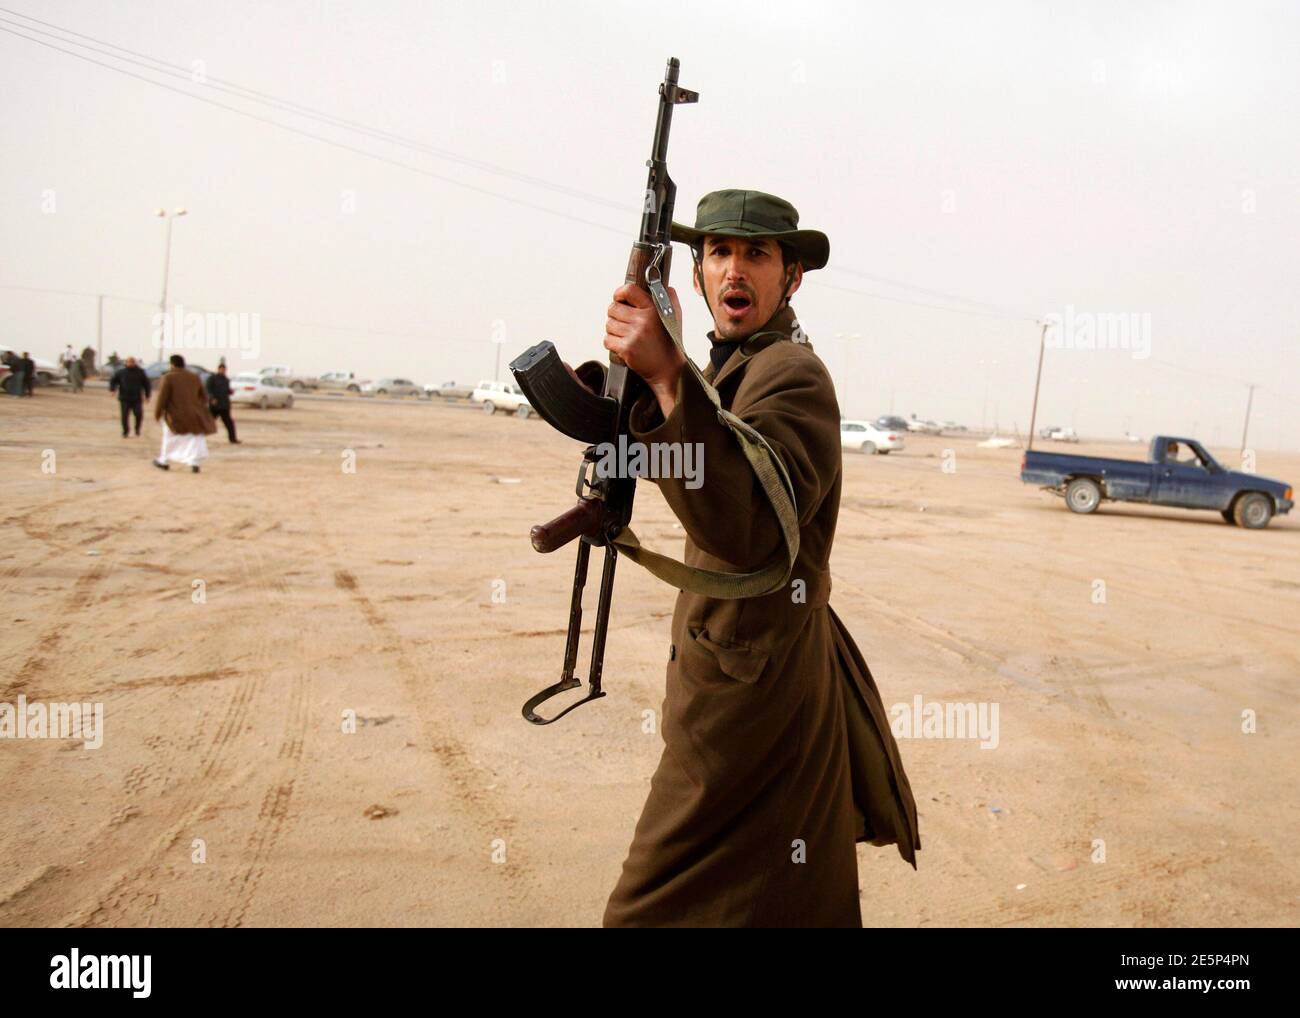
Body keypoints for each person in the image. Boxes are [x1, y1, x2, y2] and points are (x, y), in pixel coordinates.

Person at [598, 190, 920, 927]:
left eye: (756, 254)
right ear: (697, 270)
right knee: (787, 896)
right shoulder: (735, 365)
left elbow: (746, 528)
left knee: (645, 909)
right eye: (718, 252)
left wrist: (668, 375)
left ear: (791, 277)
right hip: (749, 678)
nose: (734, 268)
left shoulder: (792, 374)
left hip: (752, 698)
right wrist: (636, 391)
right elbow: (701, 455)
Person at [153, 354, 216, 472]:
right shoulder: (194, 377)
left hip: (175, 415)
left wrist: (157, 414)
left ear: (172, 364)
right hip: (194, 415)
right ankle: (194, 463)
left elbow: (162, 398)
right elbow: (204, 396)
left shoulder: (168, 377)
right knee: (194, 438)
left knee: (169, 437)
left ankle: (163, 461)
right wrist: (198, 408)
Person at [109, 356, 151, 437]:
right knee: (124, 416)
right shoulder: (121, 372)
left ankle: (137, 429)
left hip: (137, 398)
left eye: (132, 362)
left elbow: (146, 384)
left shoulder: (140, 372)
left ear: (135, 363)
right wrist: (112, 390)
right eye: (129, 362)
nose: (131, 363)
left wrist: (147, 395)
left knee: (138, 414)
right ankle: (125, 431)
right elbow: (113, 381)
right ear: (126, 363)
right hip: (124, 398)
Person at [205, 363, 240, 443]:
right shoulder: (212, 378)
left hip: (224, 405)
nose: (223, 371)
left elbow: (226, 390)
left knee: (229, 423)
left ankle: (233, 439)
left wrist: (230, 391)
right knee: (208, 422)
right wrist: (212, 398)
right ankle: (199, 438)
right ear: (219, 369)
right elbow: (208, 389)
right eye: (222, 369)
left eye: (224, 369)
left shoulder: (226, 379)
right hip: (215, 405)